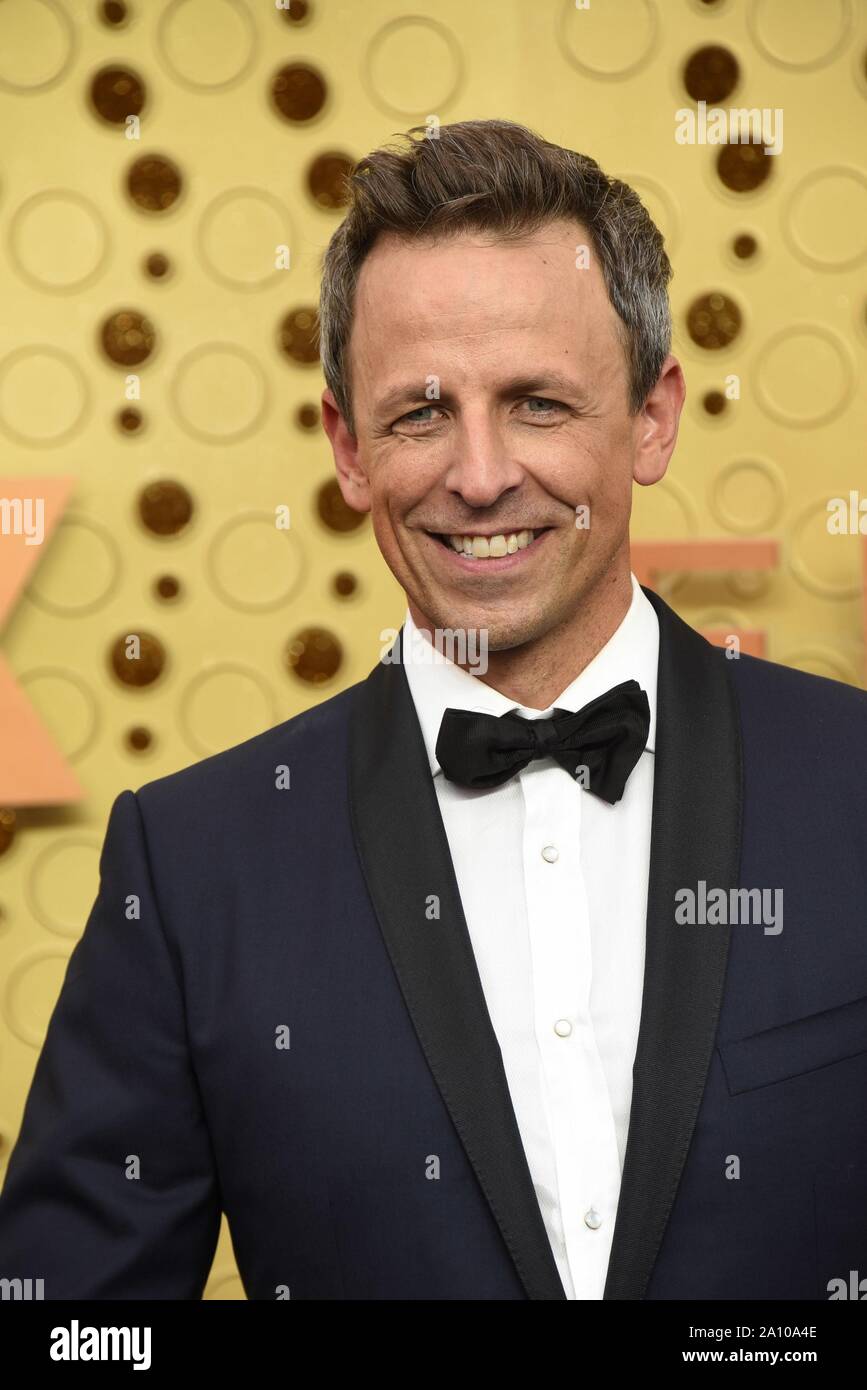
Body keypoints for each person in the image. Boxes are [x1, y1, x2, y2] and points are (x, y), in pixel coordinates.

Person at [1, 119, 865, 1301]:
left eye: (539, 404)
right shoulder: (195, 866)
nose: (477, 474)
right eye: (418, 413)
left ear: (653, 417)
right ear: (348, 448)